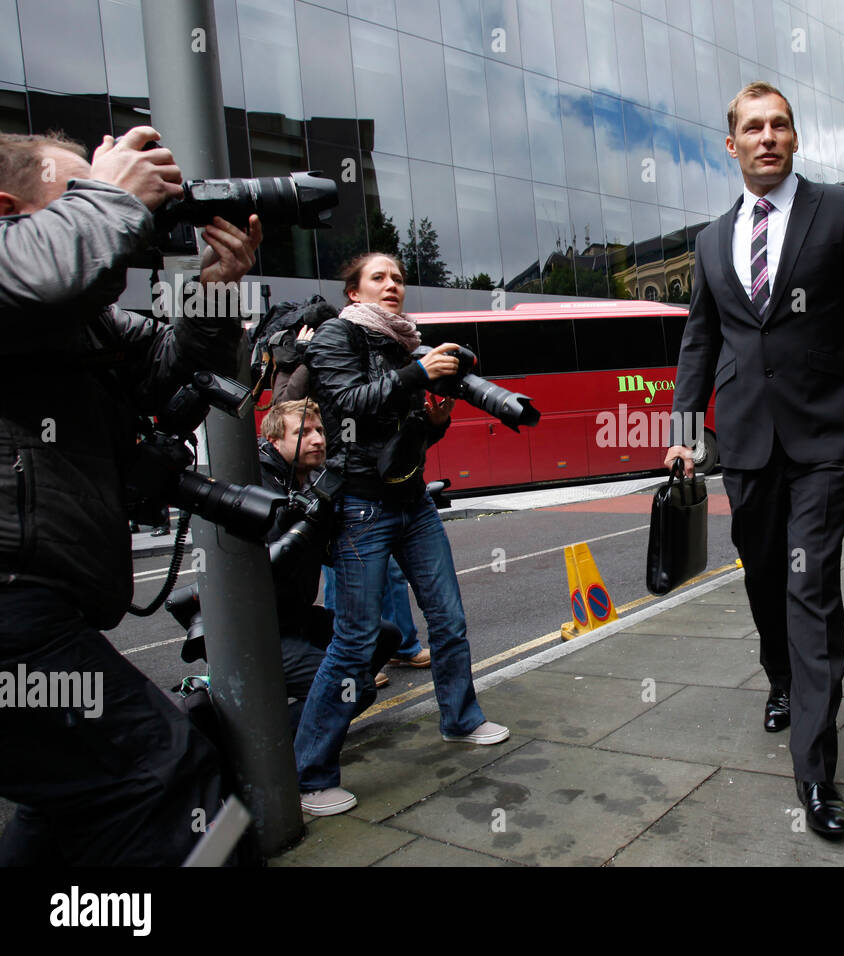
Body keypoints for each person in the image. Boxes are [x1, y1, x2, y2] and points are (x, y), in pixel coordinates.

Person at [0, 127, 262, 864]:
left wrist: (213, 293)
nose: (126, 211)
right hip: (11, 614)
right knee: (175, 783)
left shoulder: (78, 321)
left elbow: (168, 367)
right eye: (77, 188)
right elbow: (49, 270)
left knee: (77, 807)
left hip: (37, 610)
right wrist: (110, 192)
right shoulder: (29, 276)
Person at [664, 82, 844, 838]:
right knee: (766, 573)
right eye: (752, 127)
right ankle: (780, 676)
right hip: (743, 442)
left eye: (779, 125)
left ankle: (815, 773)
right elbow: (699, 342)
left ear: (795, 138)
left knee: (809, 585)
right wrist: (683, 429)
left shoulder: (841, 210)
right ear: (731, 144)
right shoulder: (710, 241)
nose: (767, 137)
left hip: (823, 441)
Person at [293, 252, 508, 817]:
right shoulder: (338, 337)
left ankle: (461, 719)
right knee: (356, 640)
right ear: (355, 291)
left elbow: (400, 434)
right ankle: (310, 775)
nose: (392, 285)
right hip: (362, 505)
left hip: (412, 500)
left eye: (398, 278)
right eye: (379, 278)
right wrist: (418, 374)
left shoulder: (406, 341)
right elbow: (345, 404)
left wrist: (431, 423)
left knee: (448, 618)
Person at [258, 399, 400, 724]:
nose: (318, 439)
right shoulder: (260, 480)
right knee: (358, 690)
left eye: (320, 431)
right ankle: (267, 748)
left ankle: (323, 709)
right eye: (303, 432)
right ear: (274, 441)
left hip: (296, 618)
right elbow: (276, 544)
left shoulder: (310, 478)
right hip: (261, 631)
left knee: (384, 636)